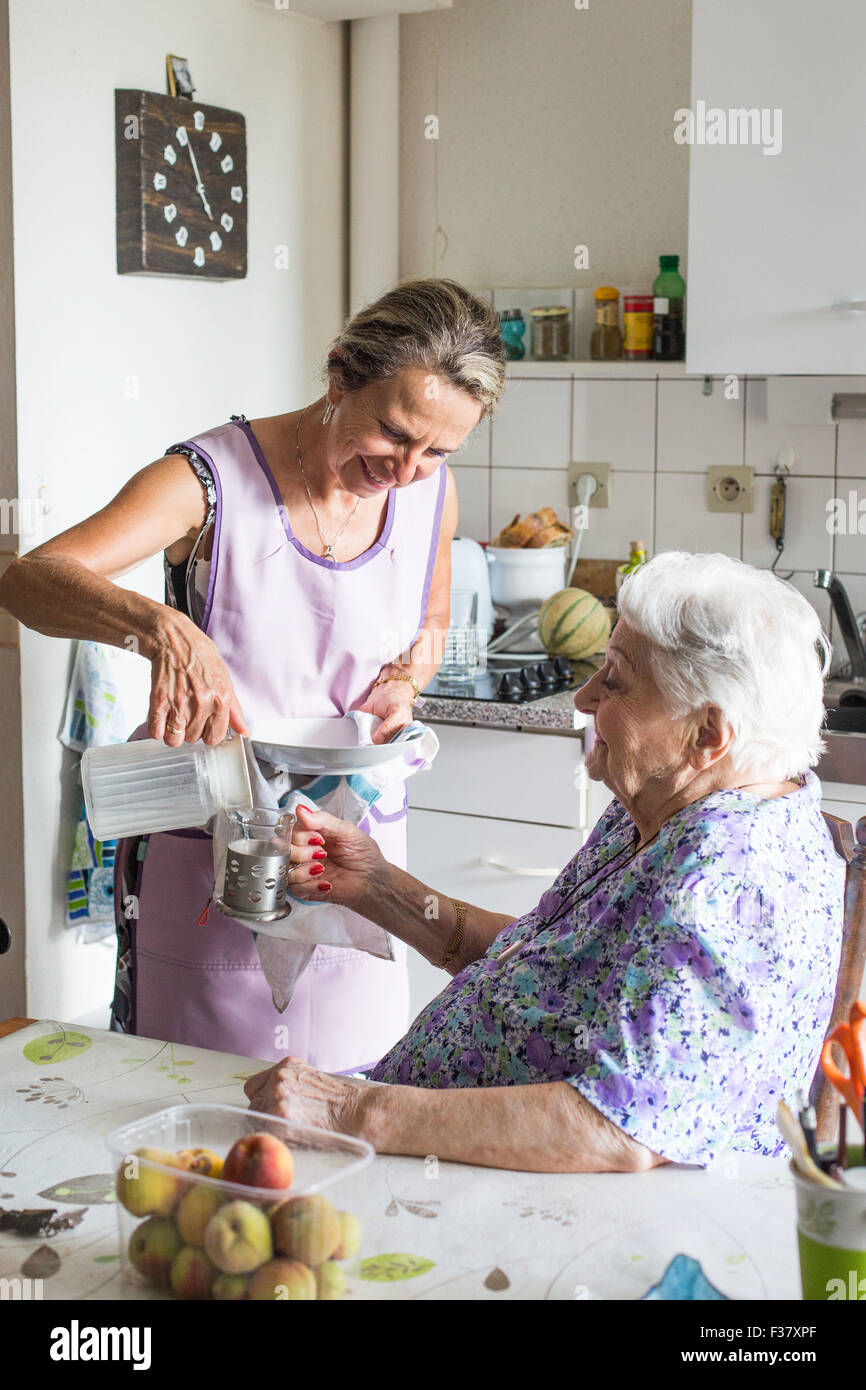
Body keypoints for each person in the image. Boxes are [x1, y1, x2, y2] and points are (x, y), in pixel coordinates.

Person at [0, 279, 506, 1070]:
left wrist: (406, 680)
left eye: (437, 451)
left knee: (356, 1099)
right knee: (189, 1096)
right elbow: (29, 580)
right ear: (339, 375)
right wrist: (158, 627)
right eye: (394, 433)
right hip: (213, 840)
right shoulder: (209, 480)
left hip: (357, 849)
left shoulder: (428, 491)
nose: (408, 471)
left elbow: (432, 623)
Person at [243, 552, 843, 1172]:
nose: (584, 698)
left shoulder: (732, 881)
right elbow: (549, 970)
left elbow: (617, 1126)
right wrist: (376, 886)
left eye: (615, 680)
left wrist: (351, 1109)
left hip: (555, 1203)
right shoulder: (673, 802)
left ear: (708, 734)